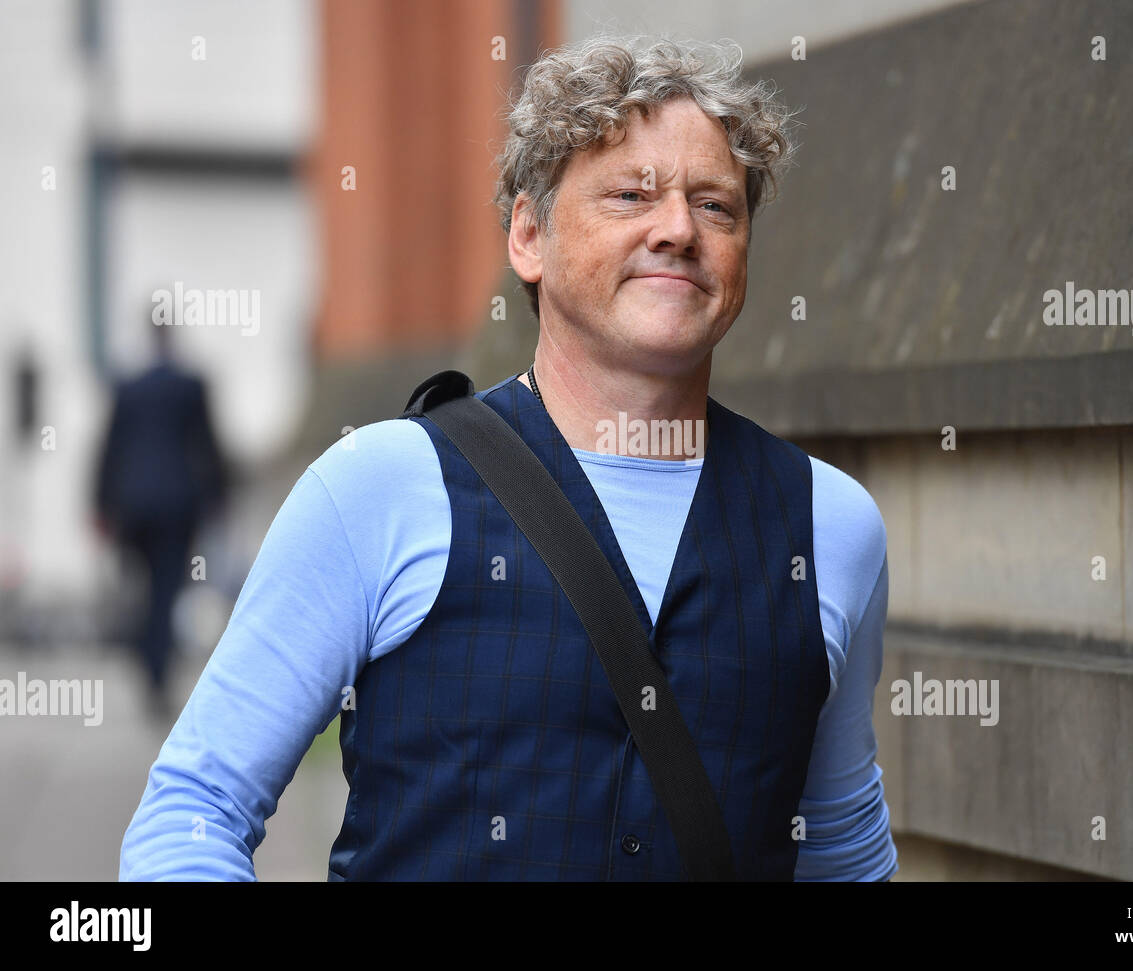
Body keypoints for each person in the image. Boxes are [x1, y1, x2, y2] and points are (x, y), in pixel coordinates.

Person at [120, 36, 896, 881]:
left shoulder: (830, 526)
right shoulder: (379, 488)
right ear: (529, 235)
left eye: (716, 206)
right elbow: (193, 813)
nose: (678, 229)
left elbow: (844, 855)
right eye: (631, 194)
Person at [95, 315, 226, 720]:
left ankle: (149, 663)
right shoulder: (190, 386)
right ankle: (157, 672)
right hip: (176, 506)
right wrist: (219, 497)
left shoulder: (128, 387)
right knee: (165, 591)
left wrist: (101, 504)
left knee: (144, 590)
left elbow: (110, 450)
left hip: (133, 507)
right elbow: (207, 445)